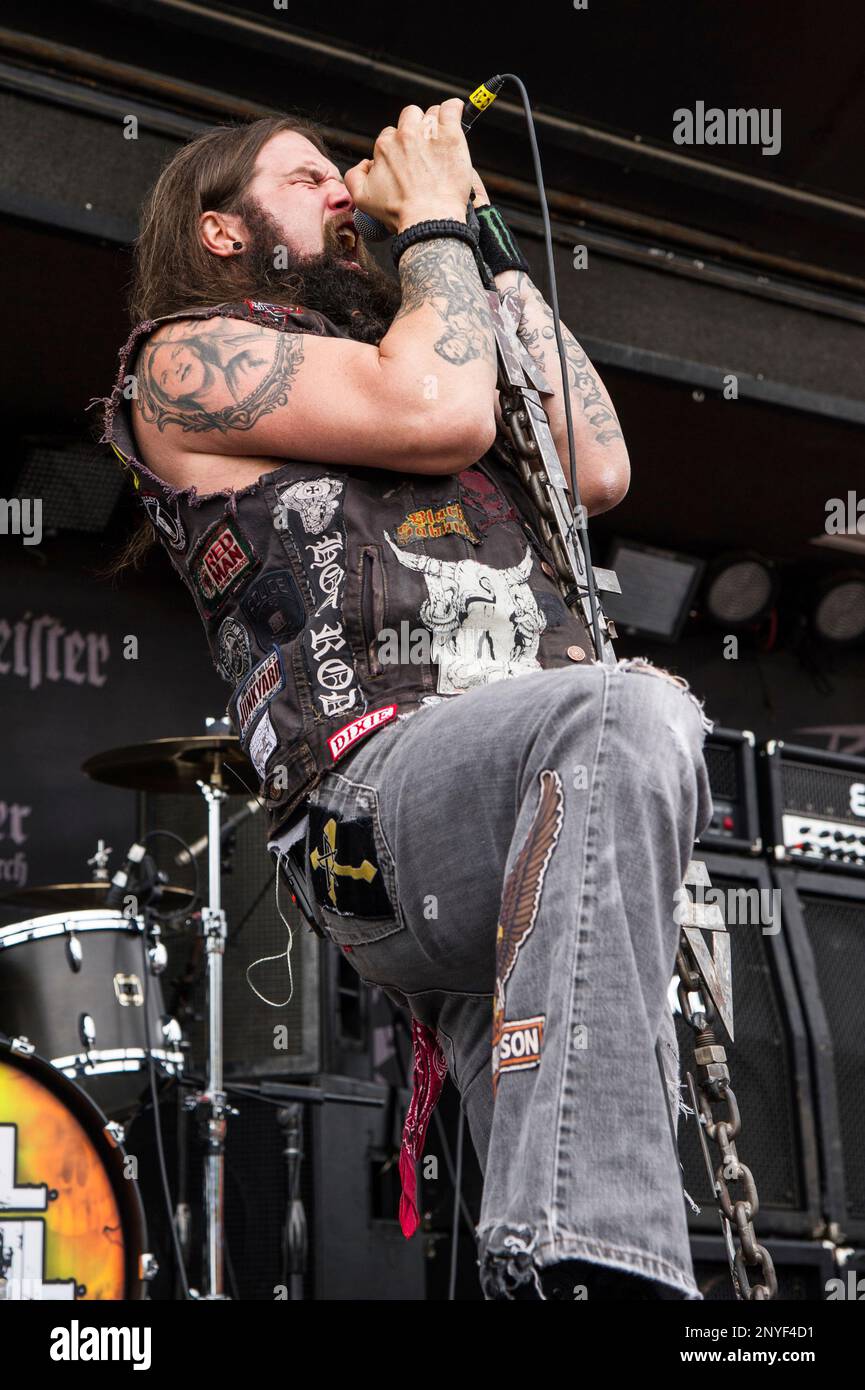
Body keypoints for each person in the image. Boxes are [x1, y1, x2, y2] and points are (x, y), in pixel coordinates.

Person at [99, 98, 715, 1300]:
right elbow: (440, 411)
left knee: (581, 1092)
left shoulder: (431, 339)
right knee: (624, 710)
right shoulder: (184, 360)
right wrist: (426, 215)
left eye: (347, 177)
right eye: (305, 177)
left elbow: (595, 467)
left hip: (529, 805)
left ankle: (612, 1278)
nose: (343, 192)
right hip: (370, 805)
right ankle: (587, 1270)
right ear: (223, 231)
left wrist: (474, 221)